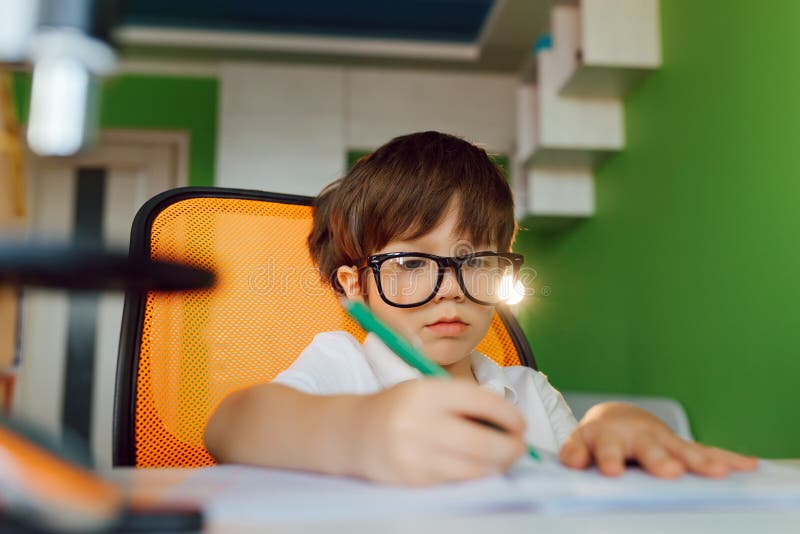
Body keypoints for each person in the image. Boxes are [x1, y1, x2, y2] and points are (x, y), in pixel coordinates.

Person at [204, 131, 757, 485]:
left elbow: (581, 473)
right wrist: (357, 432)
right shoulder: (344, 366)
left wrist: (614, 423)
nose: (452, 290)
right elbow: (229, 427)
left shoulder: (528, 391)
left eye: (476, 263)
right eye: (413, 264)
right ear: (353, 286)